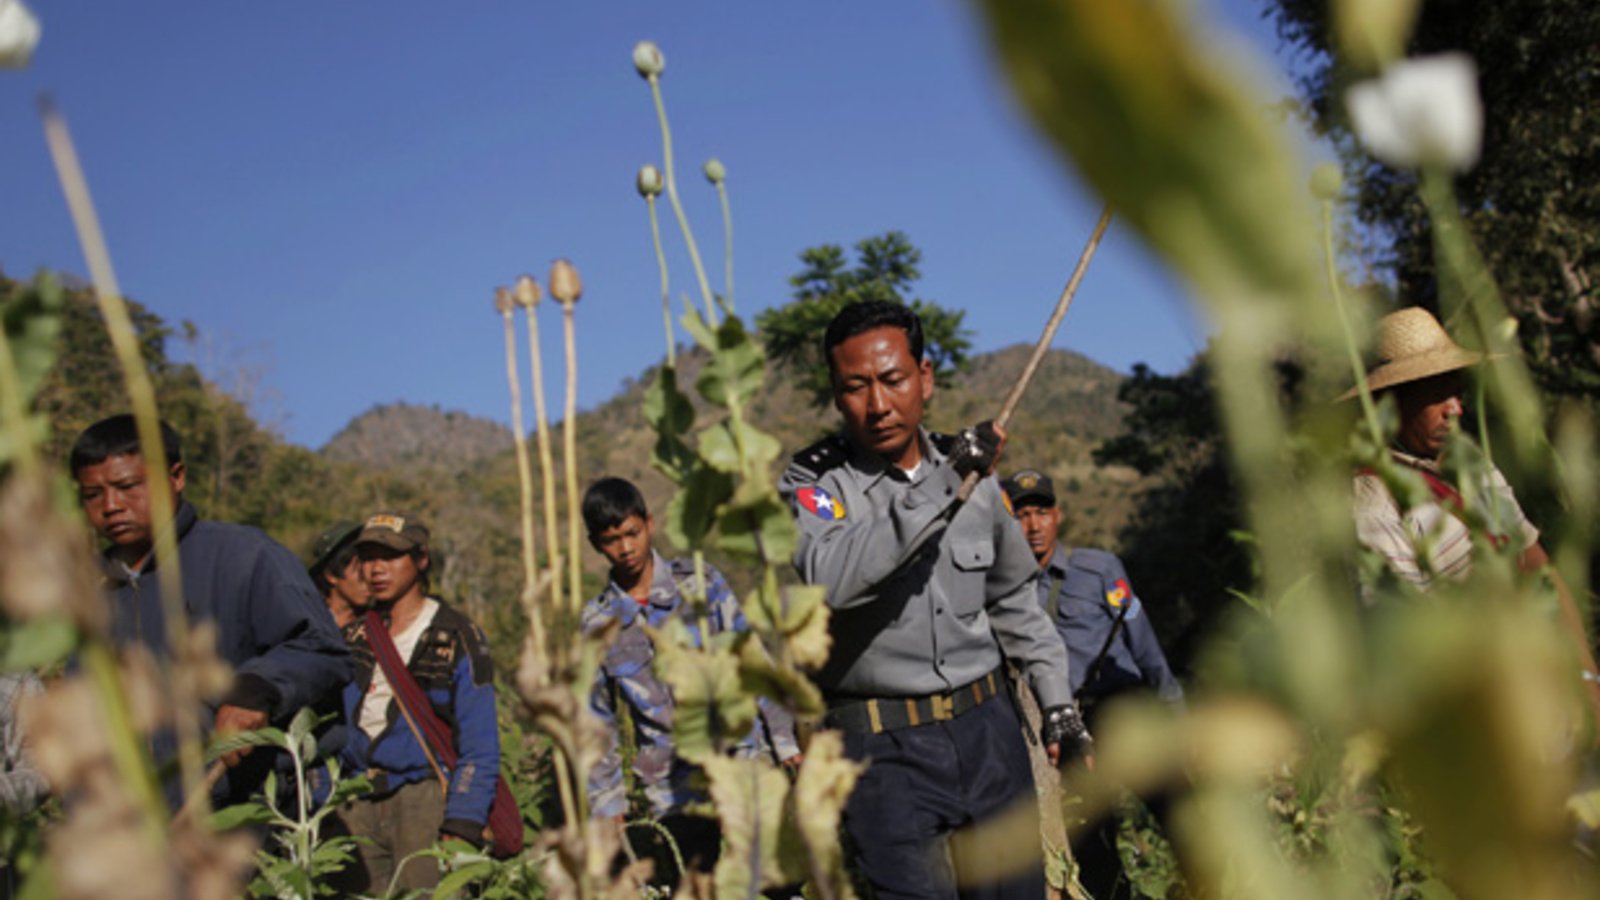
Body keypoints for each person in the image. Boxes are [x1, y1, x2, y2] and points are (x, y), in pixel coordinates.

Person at [778, 300, 1091, 899]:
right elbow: (833, 576)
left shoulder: (977, 482)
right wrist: (946, 483)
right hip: (880, 748)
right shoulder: (815, 486)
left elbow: (1016, 606)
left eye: (893, 380)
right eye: (855, 387)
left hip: (989, 732)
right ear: (835, 394)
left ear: (925, 376)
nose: (877, 404)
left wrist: (1058, 707)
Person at [69, 414, 350, 810]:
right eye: (92, 494)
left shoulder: (245, 557)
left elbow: (322, 649)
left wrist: (255, 691)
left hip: (242, 815)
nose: (111, 506)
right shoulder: (89, 593)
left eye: (127, 486)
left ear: (177, 476)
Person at [1345, 308, 1600, 702]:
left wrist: (1587, 679)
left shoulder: (1472, 464)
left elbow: (1536, 563)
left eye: (1456, 390)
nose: (1456, 409)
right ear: (1389, 405)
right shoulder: (1374, 504)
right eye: (1435, 394)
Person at [580, 477, 802, 879]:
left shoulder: (700, 582)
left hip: (739, 756)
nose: (626, 548)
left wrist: (784, 740)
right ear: (596, 544)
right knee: (696, 880)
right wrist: (607, 801)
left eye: (632, 533)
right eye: (611, 540)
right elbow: (595, 720)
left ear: (649, 523)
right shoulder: (598, 623)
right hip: (671, 783)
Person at [1003, 468, 1184, 900]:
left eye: (1041, 512)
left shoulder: (1099, 568)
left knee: (1181, 818)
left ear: (1058, 516)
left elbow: (1144, 645)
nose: (1033, 526)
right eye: (1022, 515)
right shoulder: (1004, 586)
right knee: (1093, 846)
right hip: (1065, 729)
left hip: (1122, 709)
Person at [337, 512, 499, 894]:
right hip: (354, 801)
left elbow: (480, 745)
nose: (377, 568)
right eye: (368, 557)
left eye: (390, 556)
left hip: (424, 802)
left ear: (421, 559)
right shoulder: (352, 638)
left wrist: (462, 823)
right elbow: (330, 724)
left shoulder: (457, 637)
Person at [306, 520, 367, 627]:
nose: (369, 578)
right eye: (360, 571)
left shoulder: (377, 624)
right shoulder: (309, 622)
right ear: (331, 575)